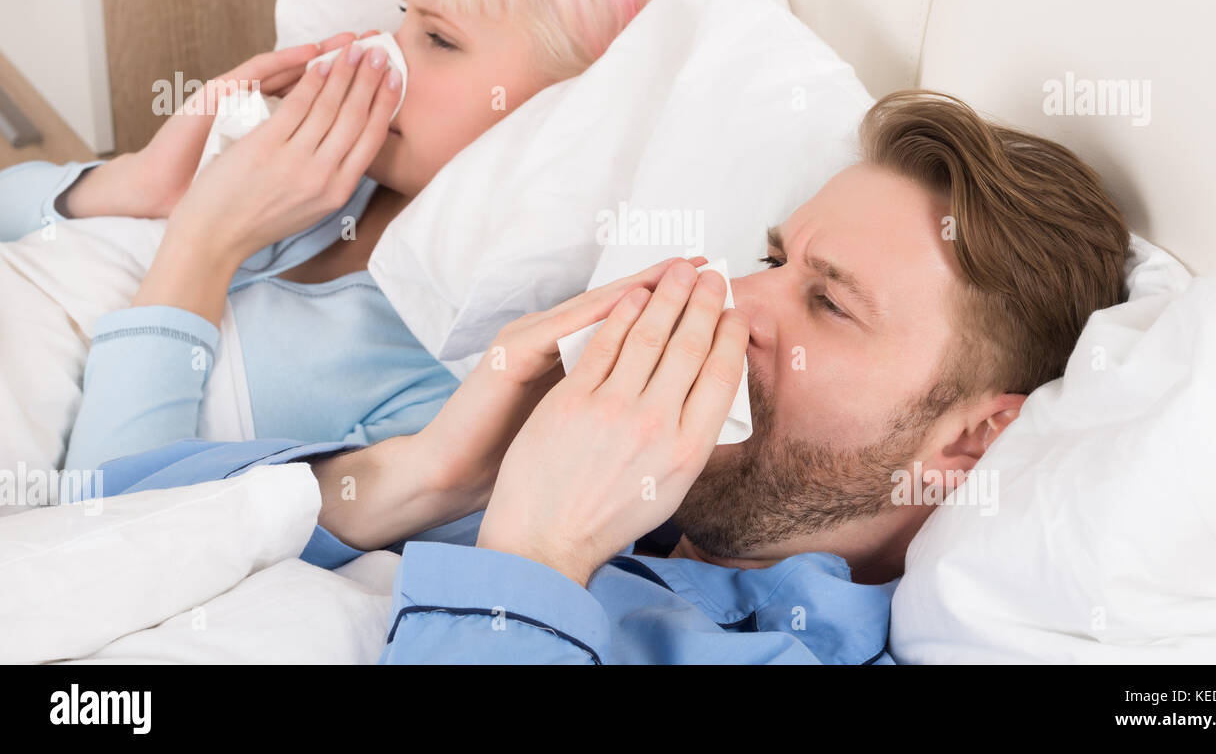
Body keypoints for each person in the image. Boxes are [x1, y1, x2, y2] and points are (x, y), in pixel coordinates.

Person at [79, 90, 1132, 663]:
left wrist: (535, 562)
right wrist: (423, 475)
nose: (733, 300)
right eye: (771, 260)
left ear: (968, 441)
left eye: (826, 301)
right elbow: (100, 542)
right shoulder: (582, 476)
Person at [0, 0, 698, 472]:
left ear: (571, 110)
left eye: (438, 38)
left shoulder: (452, 387)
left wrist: (202, 245)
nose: (376, 53)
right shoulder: (321, 177)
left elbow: (107, 535)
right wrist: (134, 182)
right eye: (401, 13)